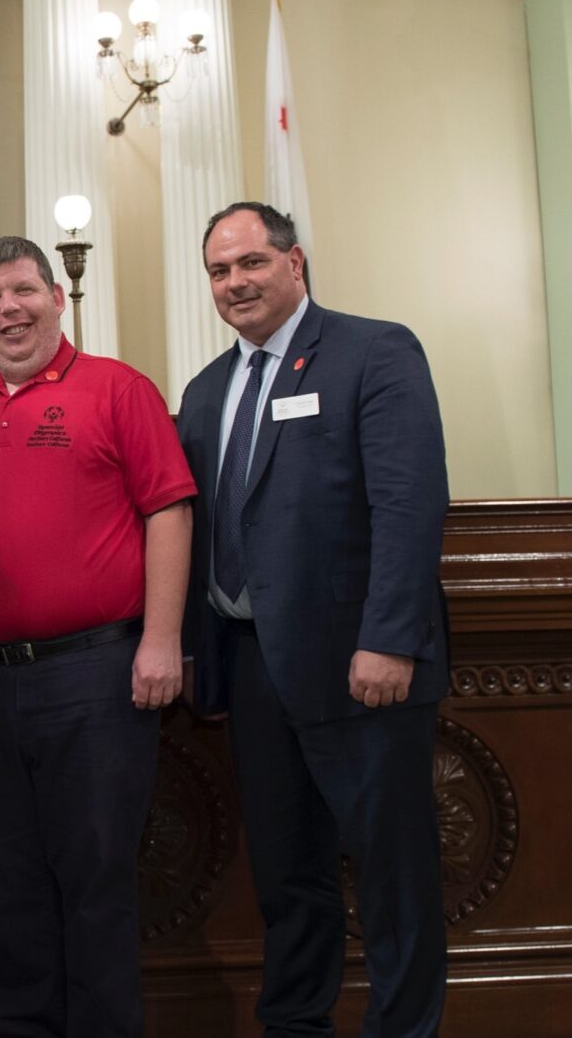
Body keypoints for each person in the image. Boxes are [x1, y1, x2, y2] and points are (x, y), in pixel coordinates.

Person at [179, 201, 450, 1038]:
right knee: (287, 875)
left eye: (251, 262)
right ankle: (295, 1025)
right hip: (252, 666)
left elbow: (408, 504)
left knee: (392, 874)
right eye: (219, 270)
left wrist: (389, 638)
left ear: (294, 263)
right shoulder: (206, 390)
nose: (235, 282)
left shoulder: (375, 351)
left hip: (359, 665)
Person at [0, 235, 194, 1037]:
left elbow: (169, 510)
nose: (8, 309)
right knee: (5, 890)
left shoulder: (119, 389)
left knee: (95, 883)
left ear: (56, 297)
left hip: (97, 676)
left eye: (23, 291)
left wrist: (161, 639)